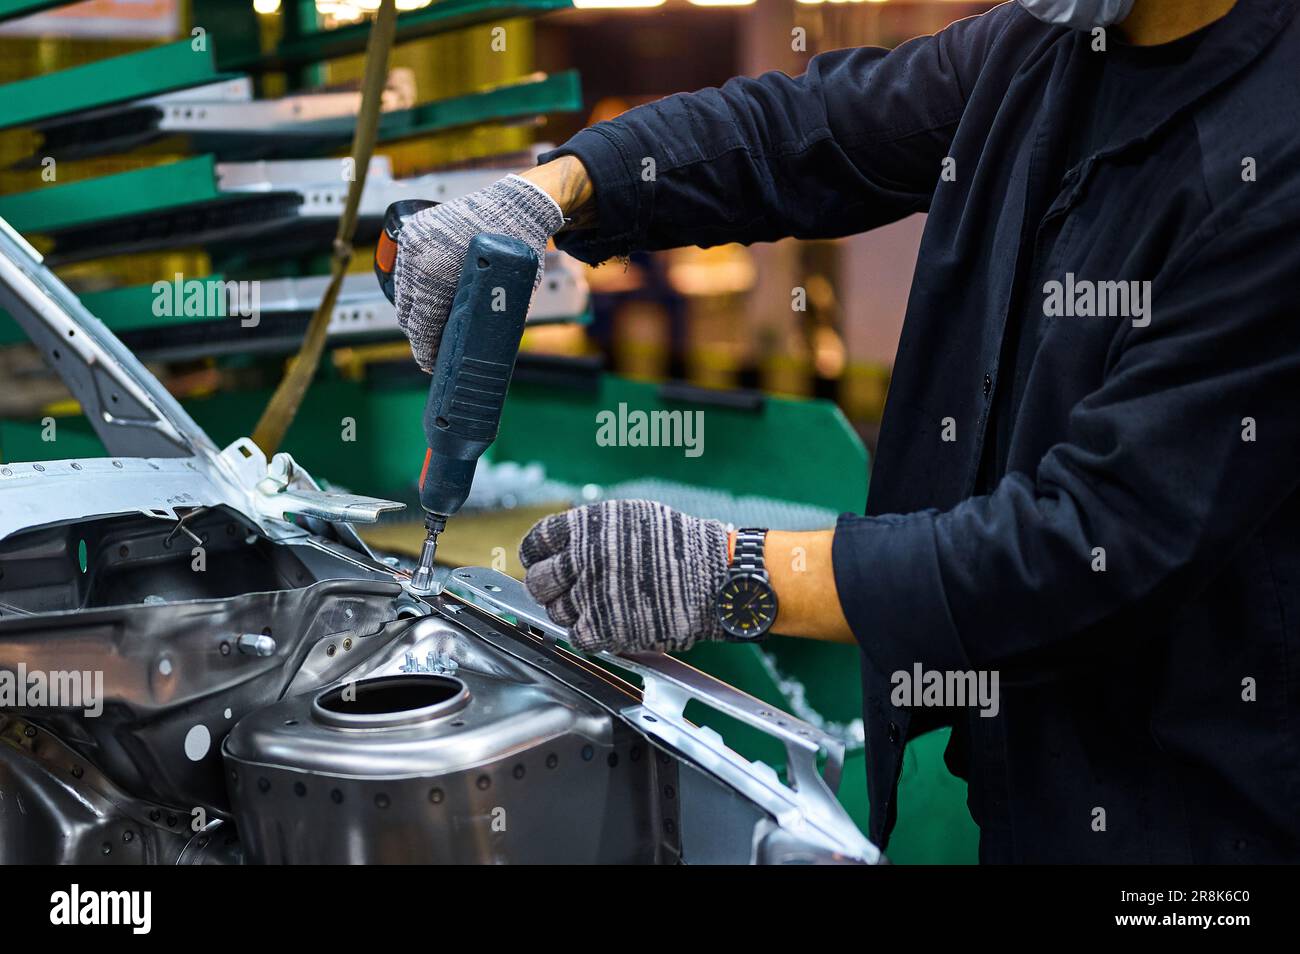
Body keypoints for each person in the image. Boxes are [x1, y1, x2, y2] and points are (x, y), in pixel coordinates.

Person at [390, 0, 1300, 863]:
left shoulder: (1271, 166)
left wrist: (737, 575)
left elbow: (1088, 547)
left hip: (1211, 817)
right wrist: (541, 196)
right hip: (1031, 776)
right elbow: (802, 135)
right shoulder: (1046, 49)